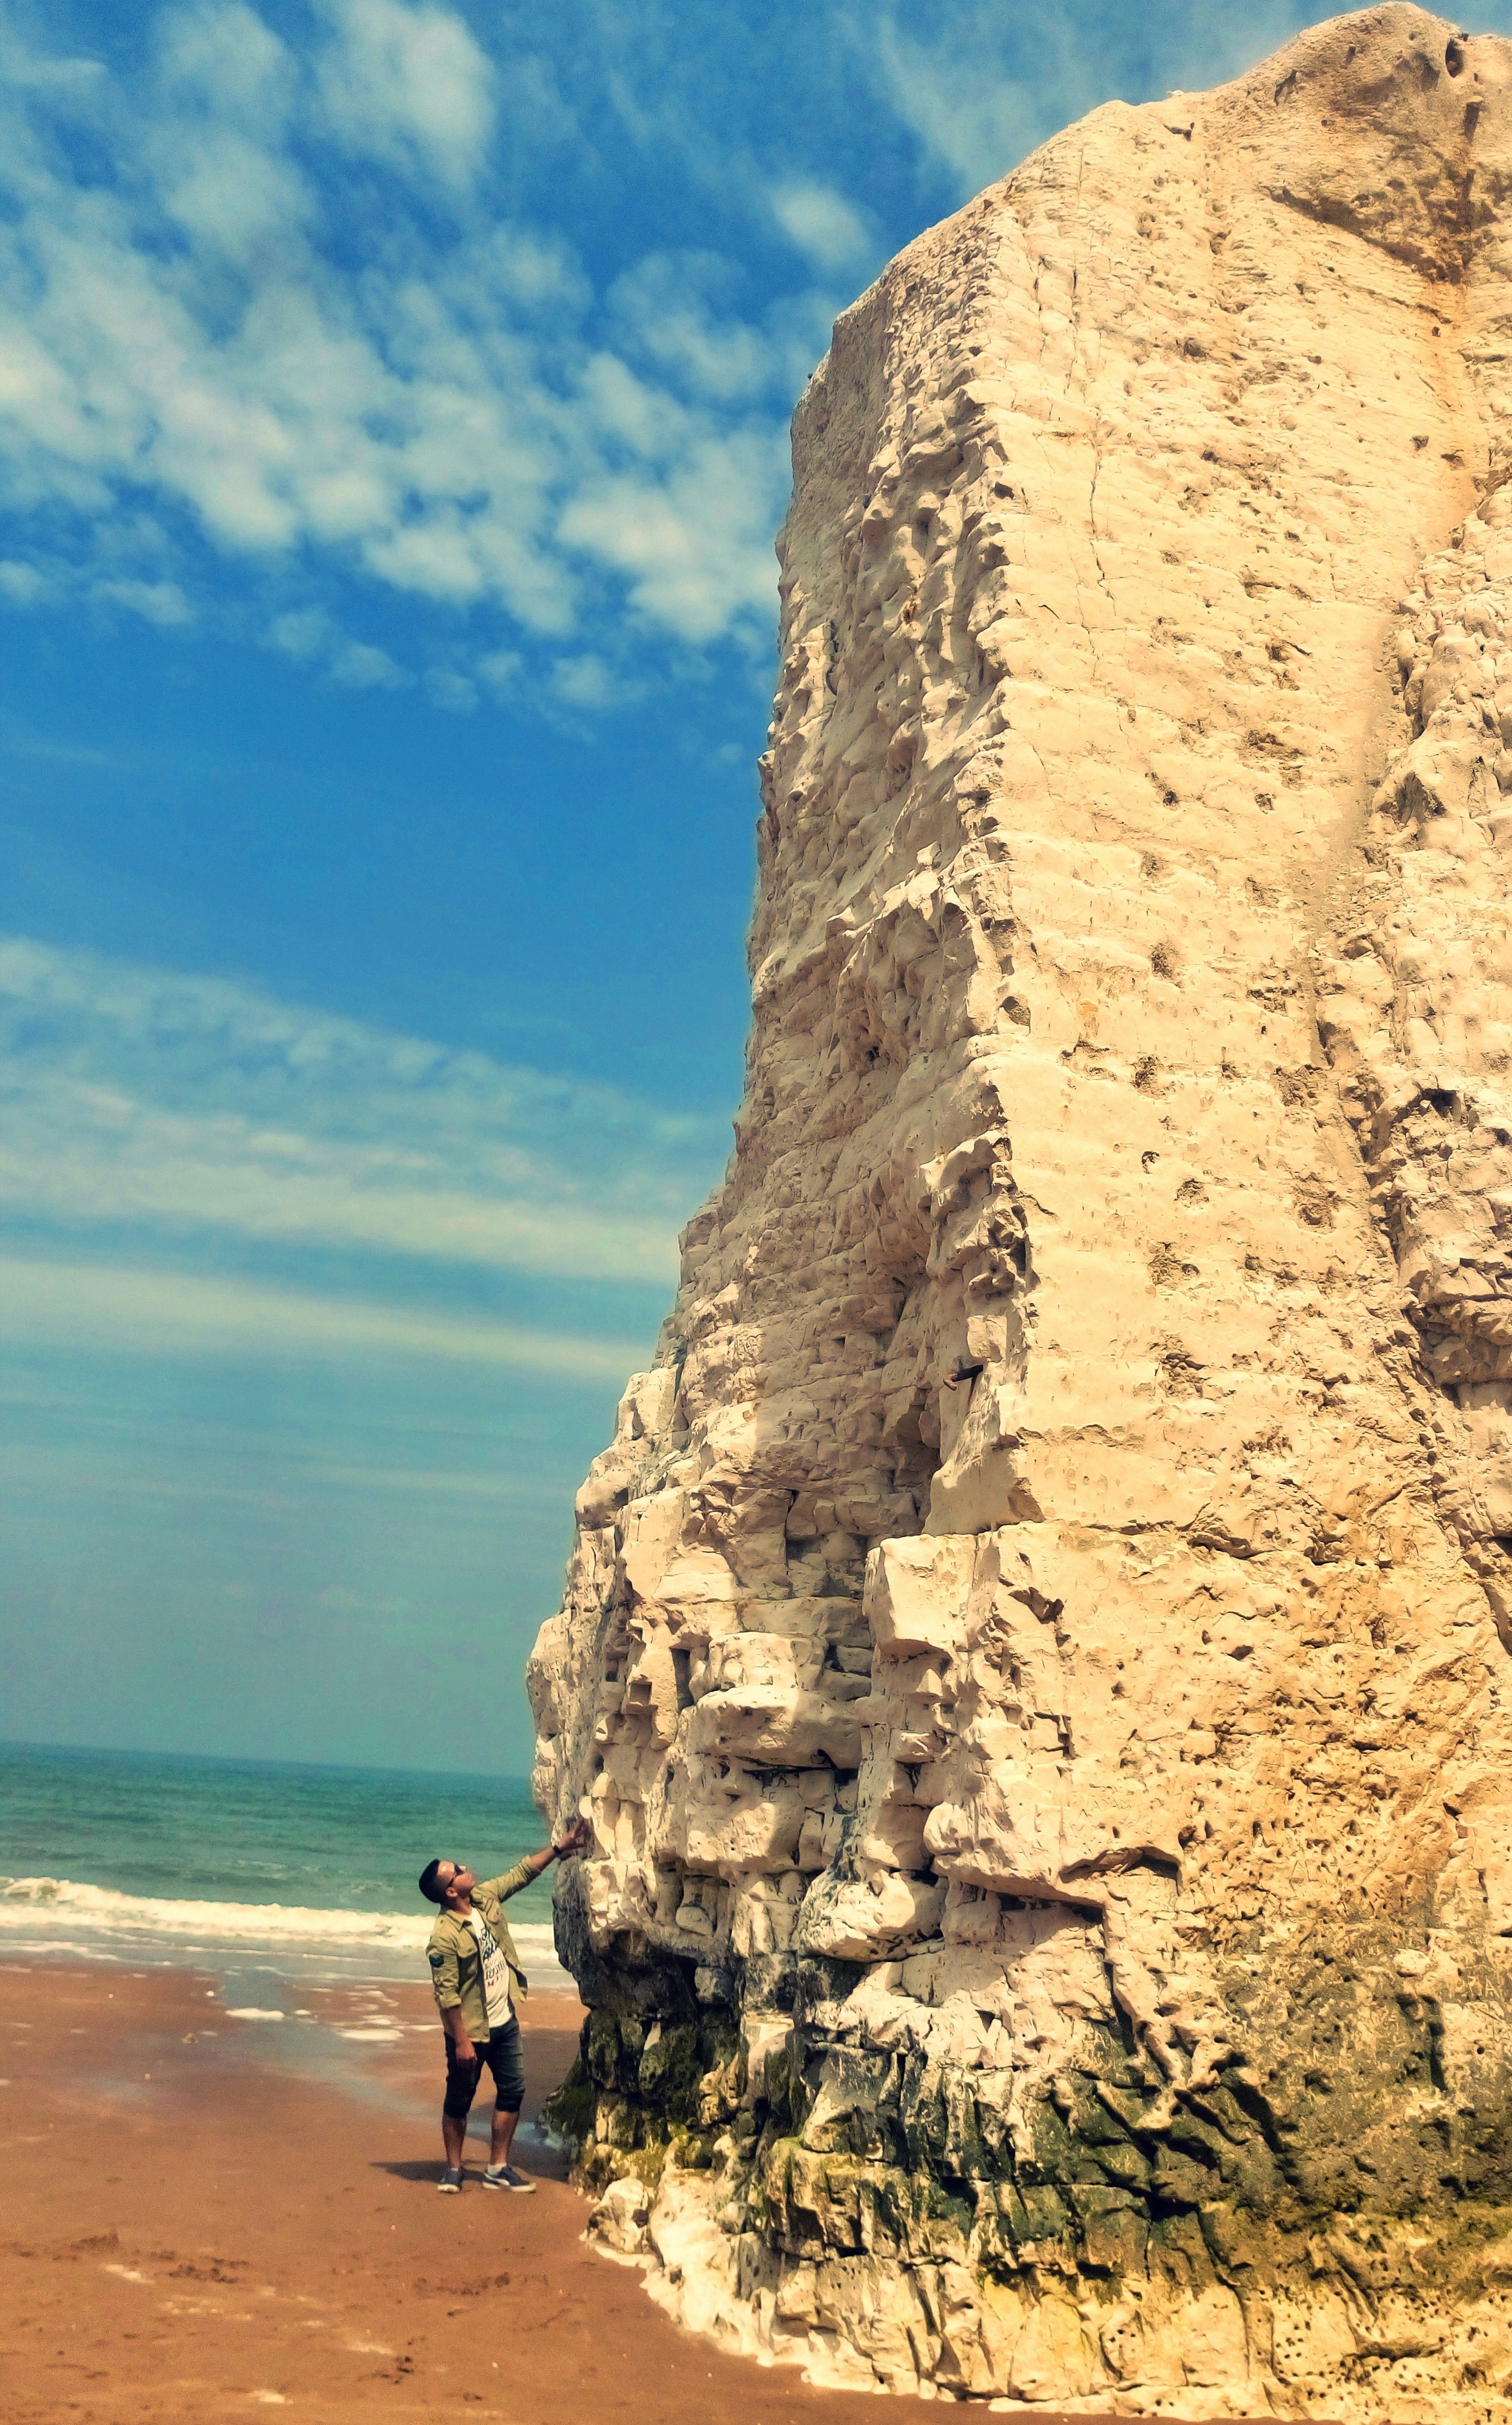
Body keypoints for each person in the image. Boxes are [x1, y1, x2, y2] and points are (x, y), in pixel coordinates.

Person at [418, 1819, 590, 2193]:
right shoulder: (443, 1938)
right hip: (471, 2032)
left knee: (513, 2090)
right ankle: (453, 2168)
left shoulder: (484, 1899)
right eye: (457, 1871)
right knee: (460, 2099)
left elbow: (520, 1874)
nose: (465, 1868)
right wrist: (462, 2042)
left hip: (505, 2021)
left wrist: (560, 1847)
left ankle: (498, 2166)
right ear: (450, 1891)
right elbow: (446, 1996)